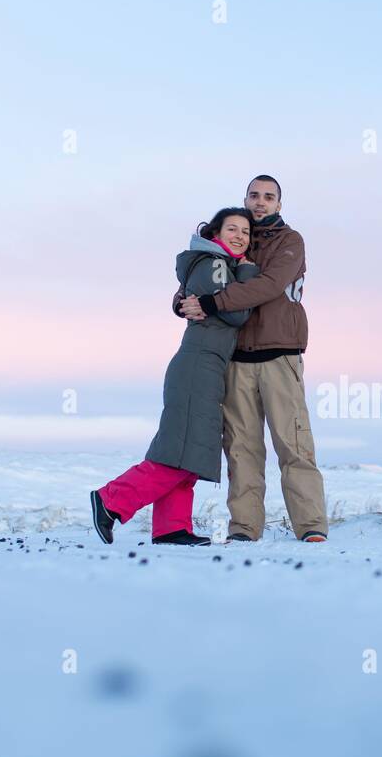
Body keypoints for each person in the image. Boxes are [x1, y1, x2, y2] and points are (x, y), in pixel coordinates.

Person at [90, 208, 258, 546]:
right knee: (180, 450)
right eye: (232, 229)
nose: (240, 236)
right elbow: (238, 313)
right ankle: (112, 500)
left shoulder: (219, 265)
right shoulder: (215, 265)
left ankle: (171, 528)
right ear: (215, 233)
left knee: (186, 450)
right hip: (198, 365)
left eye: (245, 232)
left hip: (205, 365)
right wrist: (249, 273)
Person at [177, 175, 329, 543]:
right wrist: (183, 302)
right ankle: (244, 528)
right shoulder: (231, 239)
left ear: (279, 203)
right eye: (254, 195)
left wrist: (213, 303)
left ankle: (310, 525)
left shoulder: (290, 241)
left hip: (281, 354)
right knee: (242, 449)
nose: (260, 202)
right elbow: (196, 279)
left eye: (269, 197)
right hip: (236, 357)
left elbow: (268, 286)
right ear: (245, 198)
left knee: (293, 444)